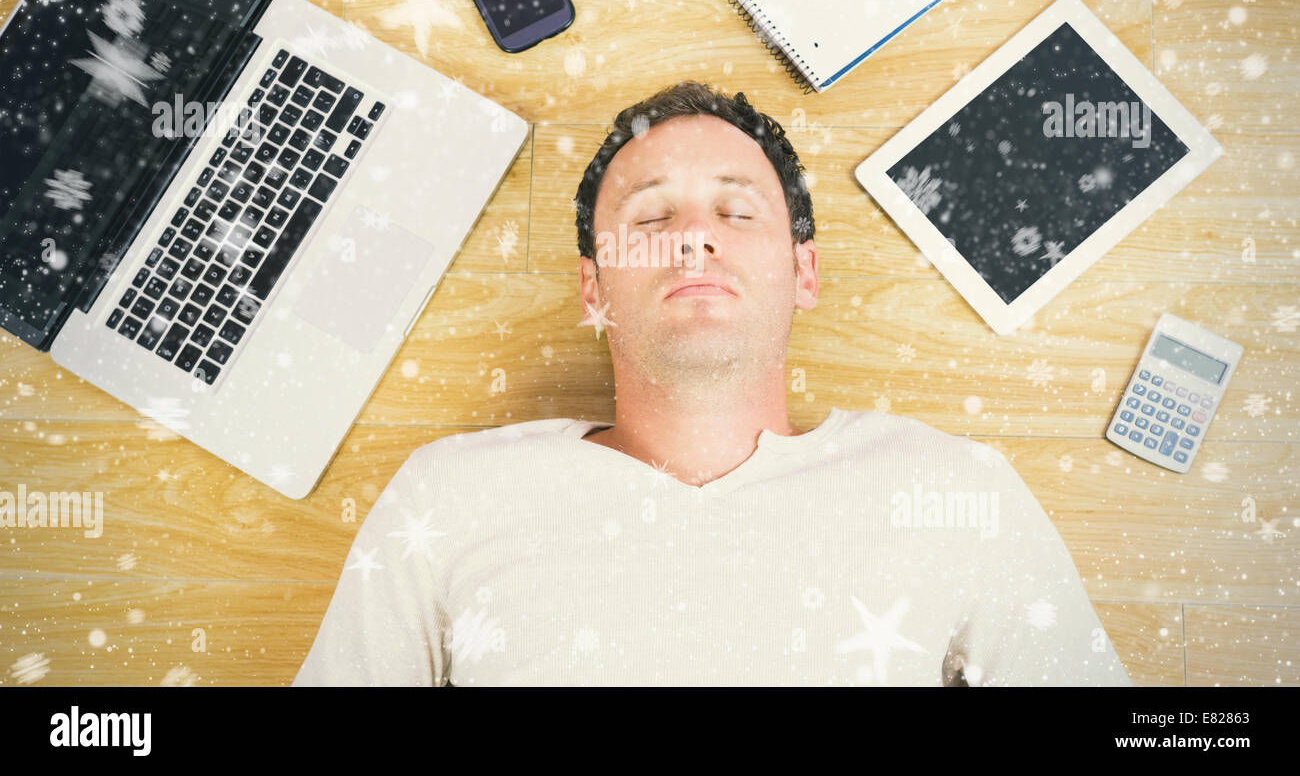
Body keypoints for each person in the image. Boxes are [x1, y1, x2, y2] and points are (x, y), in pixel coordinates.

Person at [293, 81, 1132, 686]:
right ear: (594, 288)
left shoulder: (952, 491)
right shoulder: (448, 497)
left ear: (804, 272)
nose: (694, 237)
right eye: (652, 217)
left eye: (737, 213)